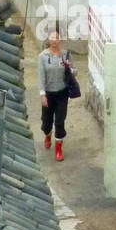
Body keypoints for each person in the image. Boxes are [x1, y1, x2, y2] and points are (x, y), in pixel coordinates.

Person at [38, 31, 75, 161]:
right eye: (52, 38)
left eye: (57, 38)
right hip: (48, 93)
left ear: (60, 40)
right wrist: (42, 94)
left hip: (62, 93)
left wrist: (71, 68)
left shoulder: (66, 55)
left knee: (60, 121)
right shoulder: (42, 56)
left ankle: (58, 149)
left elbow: (74, 72)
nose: (54, 40)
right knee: (46, 122)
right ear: (49, 40)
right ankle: (47, 135)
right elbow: (41, 77)